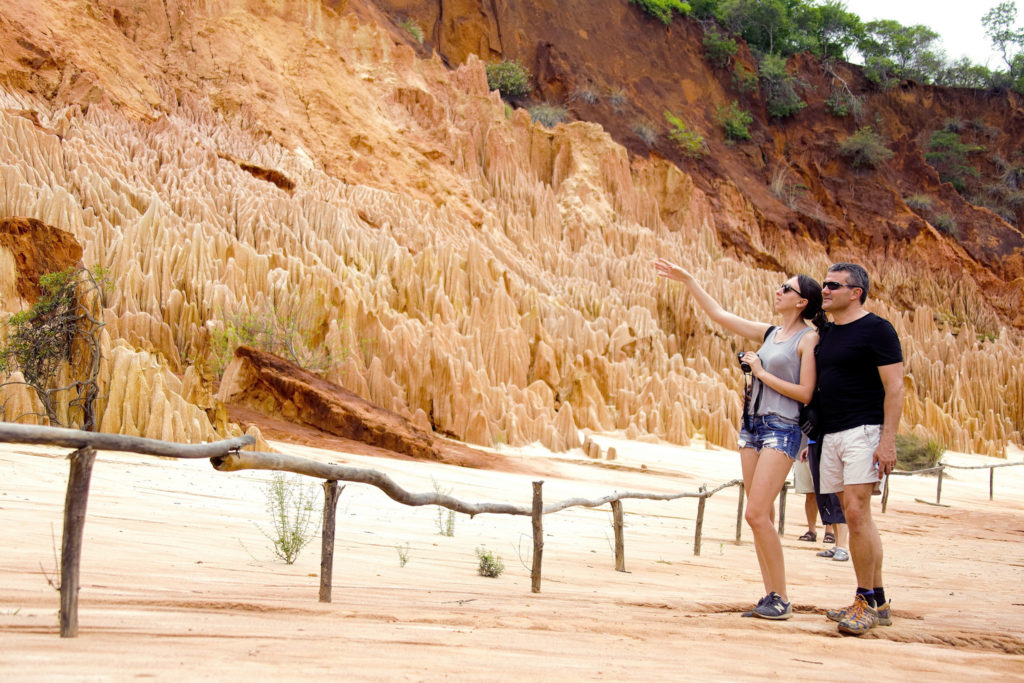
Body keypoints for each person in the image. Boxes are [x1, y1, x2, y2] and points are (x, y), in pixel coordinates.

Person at [655, 258, 825, 620]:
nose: (778, 291)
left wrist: (761, 371)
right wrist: (689, 279)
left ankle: (781, 597)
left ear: (802, 302)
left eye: (786, 288)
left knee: (756, 512)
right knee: (756, 516)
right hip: (753, 426)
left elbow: (807, 392)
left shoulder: (807, 337)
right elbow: (718, 314)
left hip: (783, 427)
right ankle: (771, 595)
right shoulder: (769, 334)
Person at [815, 262, 904, 636]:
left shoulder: (878, 329)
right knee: (857, 517)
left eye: (833, 285)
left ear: (856, 292)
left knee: (855, 512)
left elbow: (896, 387)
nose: (825, 290)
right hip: (831, 435)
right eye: (823, 284)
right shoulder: (829, 333)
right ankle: (878, 601)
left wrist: (887, 440)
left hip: (863, 432)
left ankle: (864, 601)